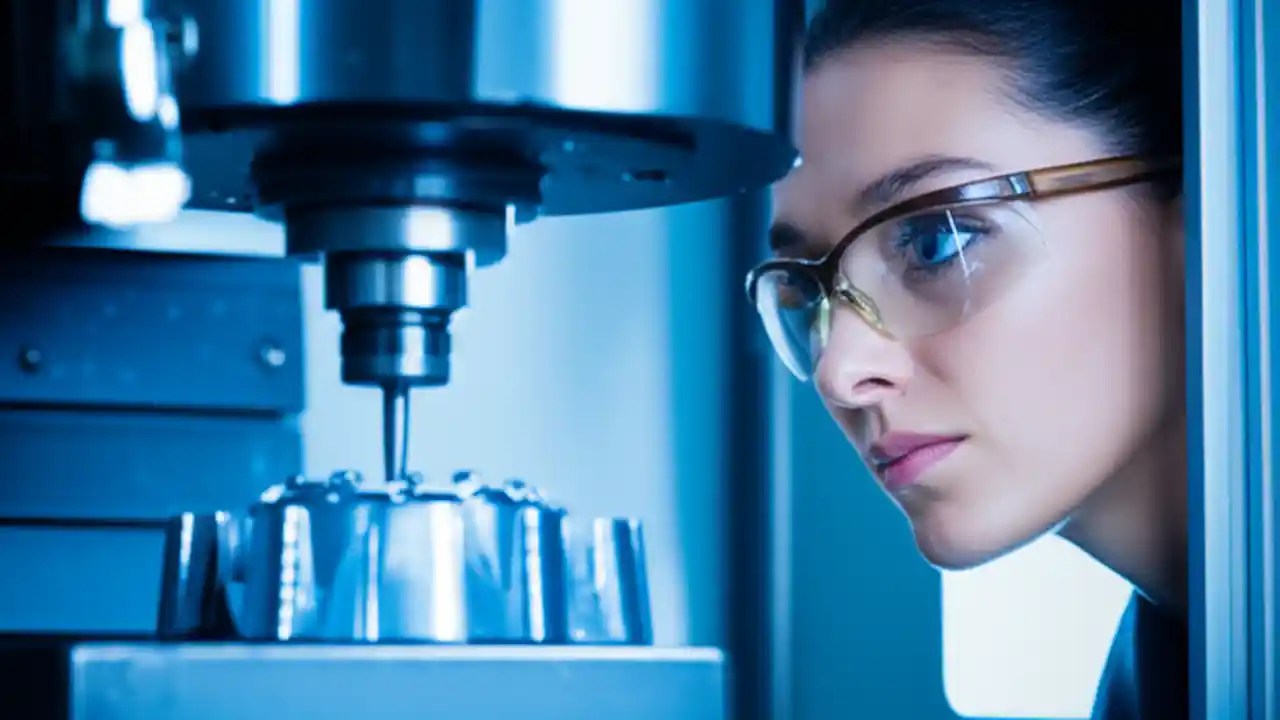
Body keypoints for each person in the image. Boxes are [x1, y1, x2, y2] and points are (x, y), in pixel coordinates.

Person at [746, 1, 1188, 718]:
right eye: (808, 286)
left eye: (937, 242)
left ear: (1204, 206)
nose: (840, 370)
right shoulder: (1173, 675)